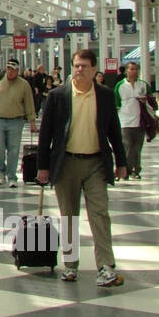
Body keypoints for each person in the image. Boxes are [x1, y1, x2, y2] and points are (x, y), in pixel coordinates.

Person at [36, 49, 128, 288]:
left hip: (96, 162)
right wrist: (42, 167)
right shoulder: (58, 96)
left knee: (100, 213)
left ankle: (106, 266)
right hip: (66, 163)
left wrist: (122, 162)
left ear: (94, 69)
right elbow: (45, 135)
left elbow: (114, 132)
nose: (79, 70)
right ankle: (70, 265)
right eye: (76, 65)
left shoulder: (105, 96)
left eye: (84, 66)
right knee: (68, 215)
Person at [0, 59, 37, 188]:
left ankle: (12, 176)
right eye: (8, 68)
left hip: (16, 121)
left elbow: (29, 104)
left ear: (18, 71)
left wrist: (32, 122)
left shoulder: (24, 85)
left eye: (13, 69)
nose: (10, 72)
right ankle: (1, 170)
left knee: (13, 149)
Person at [113, 62, 151, 180]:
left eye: (136, 69)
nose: (134, 71)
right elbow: (116, 103)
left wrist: (146, 101)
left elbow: (151, 100)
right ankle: (126, 169)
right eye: (131, 69)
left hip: (140, 121)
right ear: (127, 71)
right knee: (128, 145)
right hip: (125, 120)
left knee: (137, 147)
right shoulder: (120, 85)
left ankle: (136, 169)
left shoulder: (143, 85)